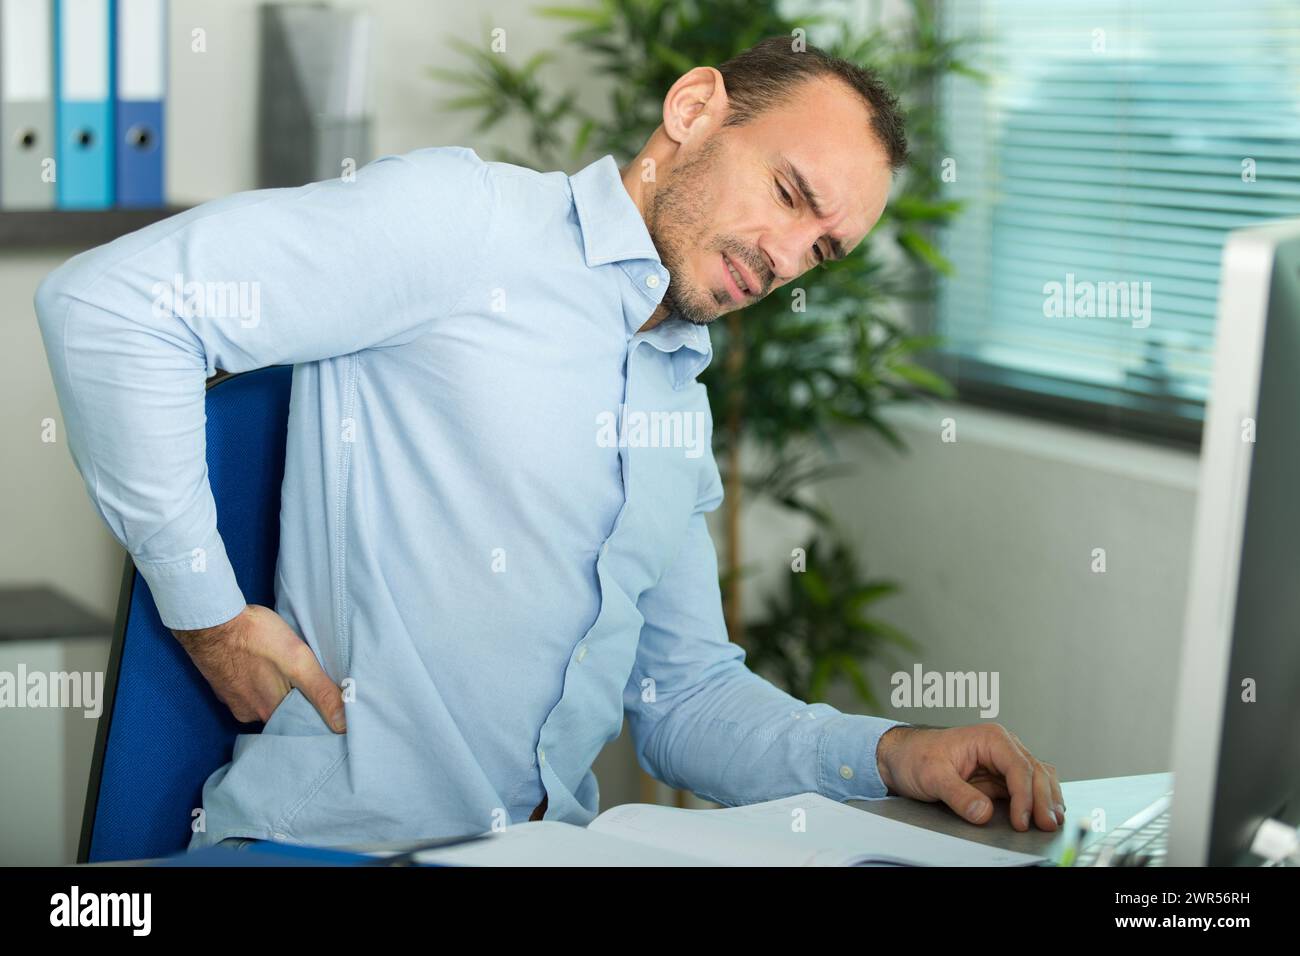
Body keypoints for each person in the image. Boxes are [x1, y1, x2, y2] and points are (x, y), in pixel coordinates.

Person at [36, 36, 1063, 851]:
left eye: (821, 250)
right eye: (790, 195)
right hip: (332, 846)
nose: (786, 257)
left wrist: (888, 753)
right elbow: (107, 306)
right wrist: (211, 618)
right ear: (693, 108)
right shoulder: (465, 225)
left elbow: (684, 698)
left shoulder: (678, 399)